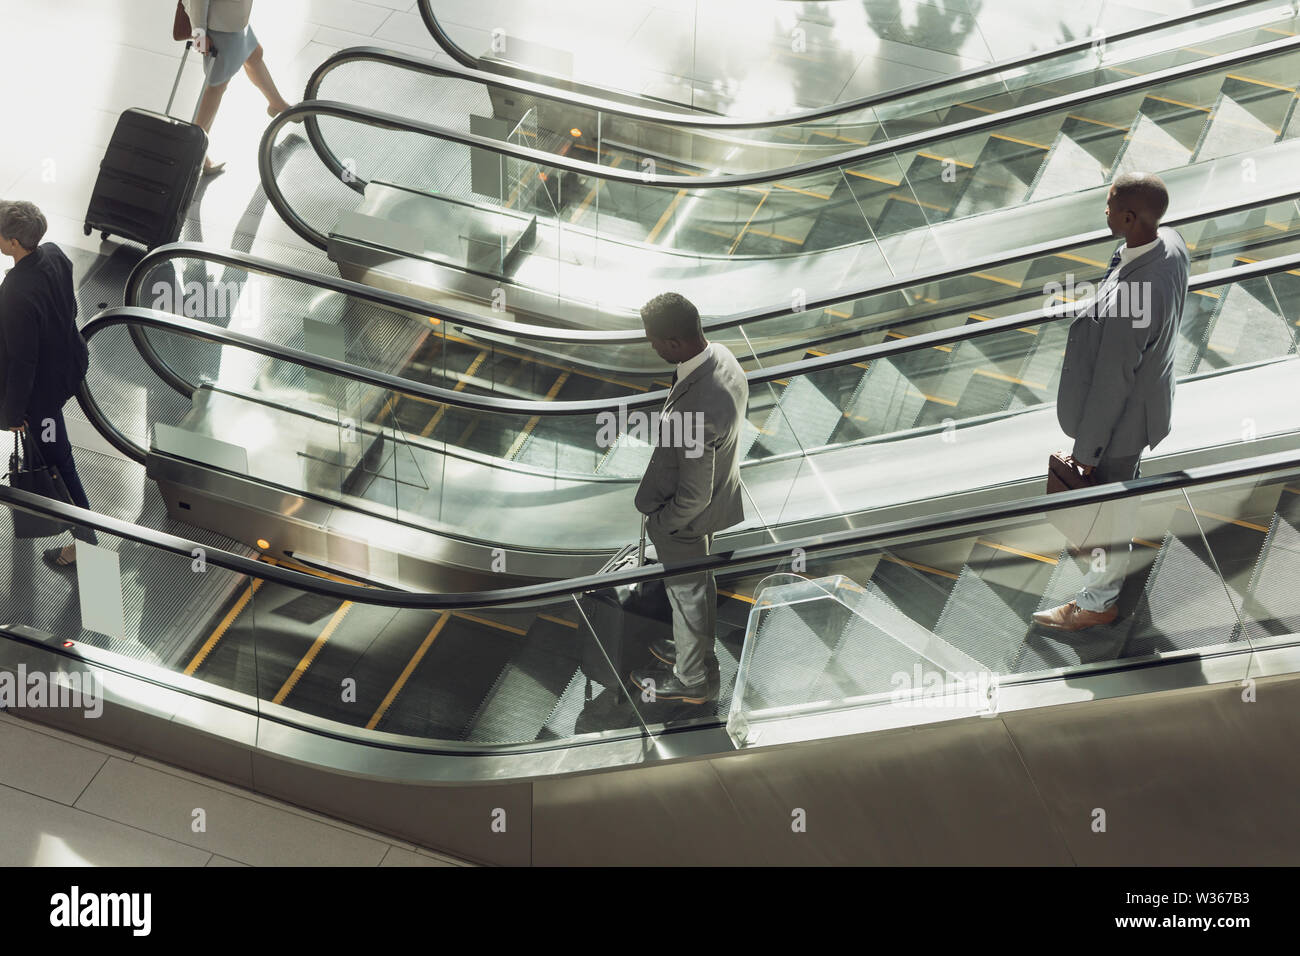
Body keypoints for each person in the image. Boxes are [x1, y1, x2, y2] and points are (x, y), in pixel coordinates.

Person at [1034, 172, 1189, 631]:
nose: (1103, 212)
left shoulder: (1132, 300)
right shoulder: (1171, 244)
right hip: (1148, 401)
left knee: (1107, 517)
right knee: (1119, 501)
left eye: (1109, 206)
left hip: (1122, 424)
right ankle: (1107, 583)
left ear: (1128, 217)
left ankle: (1099, 604)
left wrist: (1087, 452)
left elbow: (1111, 384)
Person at [629, 293, 749, 703]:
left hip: (686, 519)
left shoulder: (694, 412)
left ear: (675, 343)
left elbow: (693, 494)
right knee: (699, 587)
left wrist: (663, 524)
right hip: (718, 498)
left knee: (688, 597)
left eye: (654, 341)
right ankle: (691, 650)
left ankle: (692, 678)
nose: (653, 348)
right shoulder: (723, 357)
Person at [0, 201, 98, 569]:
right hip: (67, 366)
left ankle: (87, 544)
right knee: (54, 454)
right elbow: (68, 309)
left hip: (40, 396)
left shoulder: (15, 293)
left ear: (12, 243)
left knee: (59, 460)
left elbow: (24, 362)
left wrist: (13, 412)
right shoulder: (55, 255)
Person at [183, 0, 295, 175]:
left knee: (254, 54)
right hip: (220, 25)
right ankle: (195, 149)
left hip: (233, 19)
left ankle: (277, 104)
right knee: (217, 86)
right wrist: (199, 33)